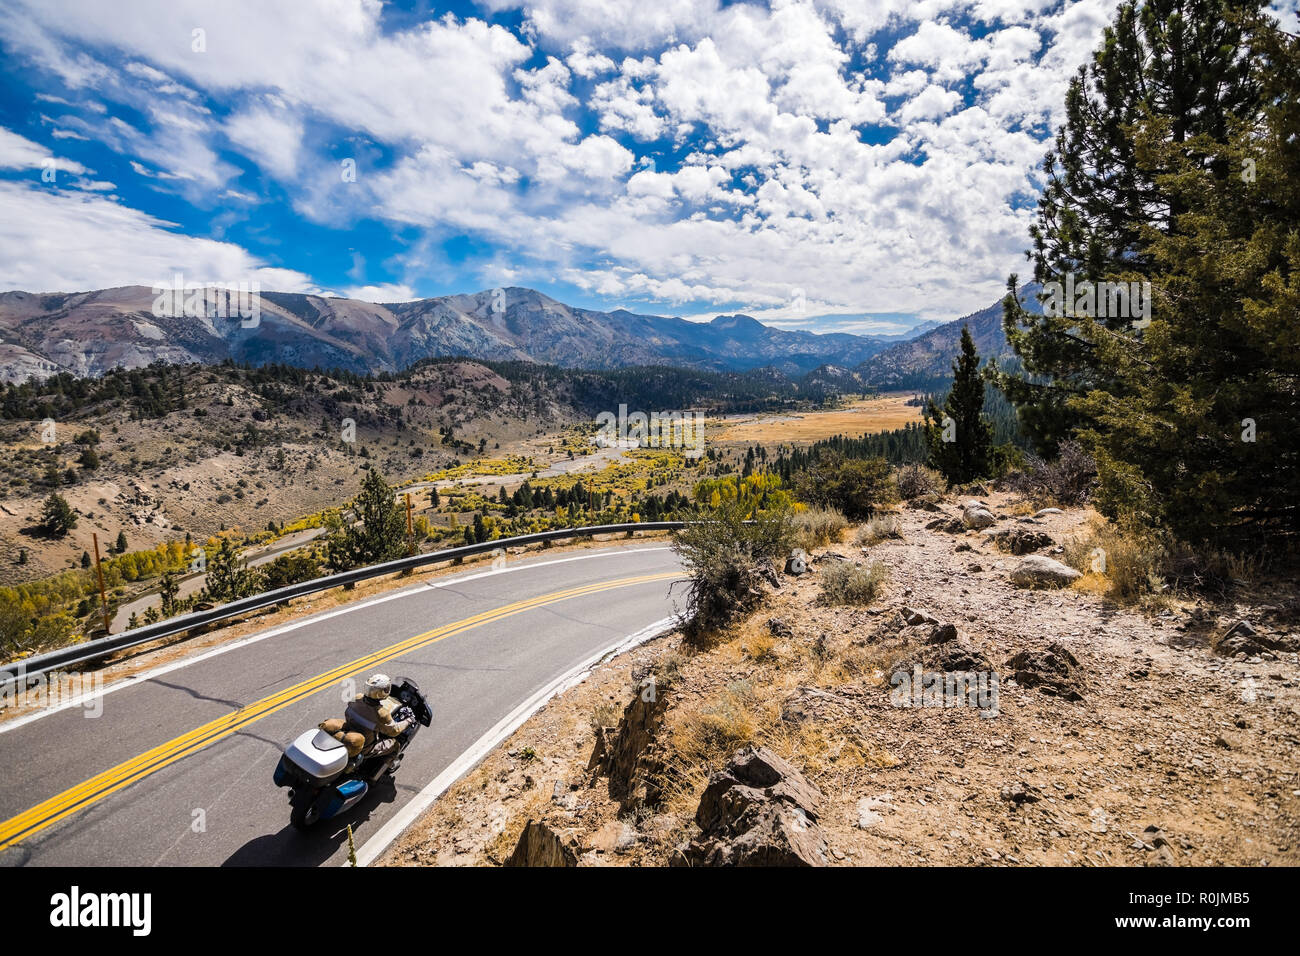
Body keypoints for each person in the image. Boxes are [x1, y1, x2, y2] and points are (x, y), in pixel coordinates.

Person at [343, 673, 413, 768]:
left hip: (349, 731)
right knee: (395, 745)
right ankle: (387, 766)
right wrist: (409, 720)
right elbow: (394, 731)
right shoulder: (381, 714)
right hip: (365, 747)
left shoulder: (357, 698)